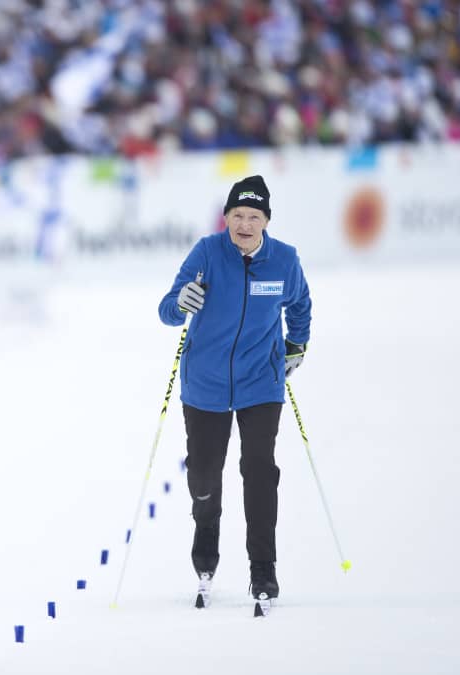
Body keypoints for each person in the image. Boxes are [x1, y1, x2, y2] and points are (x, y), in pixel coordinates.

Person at [158, 175, 312, 604]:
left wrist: (296, 345)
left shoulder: (284, 260)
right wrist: (182, 301)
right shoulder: (207, 253)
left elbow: (300, 304)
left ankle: (263, 568)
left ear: (266, 221)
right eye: (237, 215)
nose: (244, 224)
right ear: (226, 217)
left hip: (260, 382)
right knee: (204, 475)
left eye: (254, 216)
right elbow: (167, 310)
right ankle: (206, 528)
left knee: (259, 471)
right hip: (205, 383)